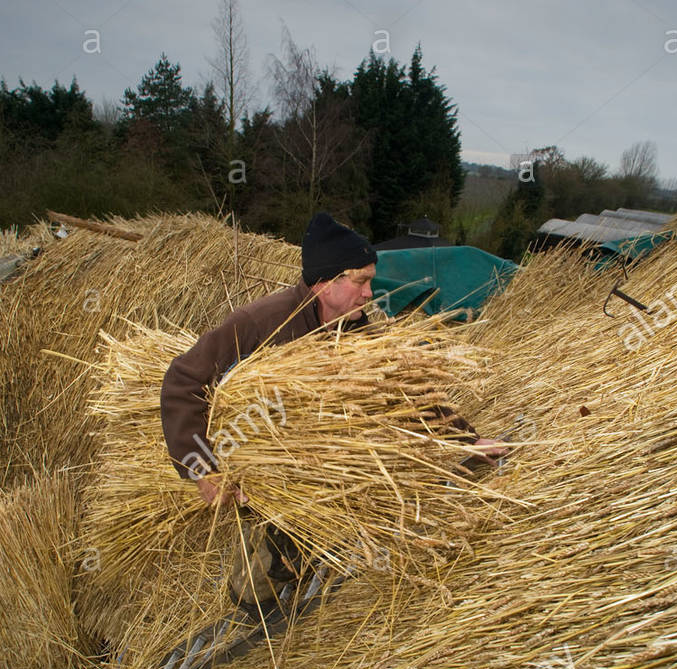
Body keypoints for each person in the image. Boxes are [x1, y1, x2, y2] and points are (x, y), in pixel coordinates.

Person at [160, 212, 503, 609]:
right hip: (266, 465)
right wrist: (203, 468)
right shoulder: (263, 323)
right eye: (360, 281)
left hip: (319, 463)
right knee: (257, 586)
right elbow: (183, 381)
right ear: (324, 284)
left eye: (370, 281)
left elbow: (403, 390)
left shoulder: (354, 328)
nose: (369, 293)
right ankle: (257, 599)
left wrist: (467, 439)